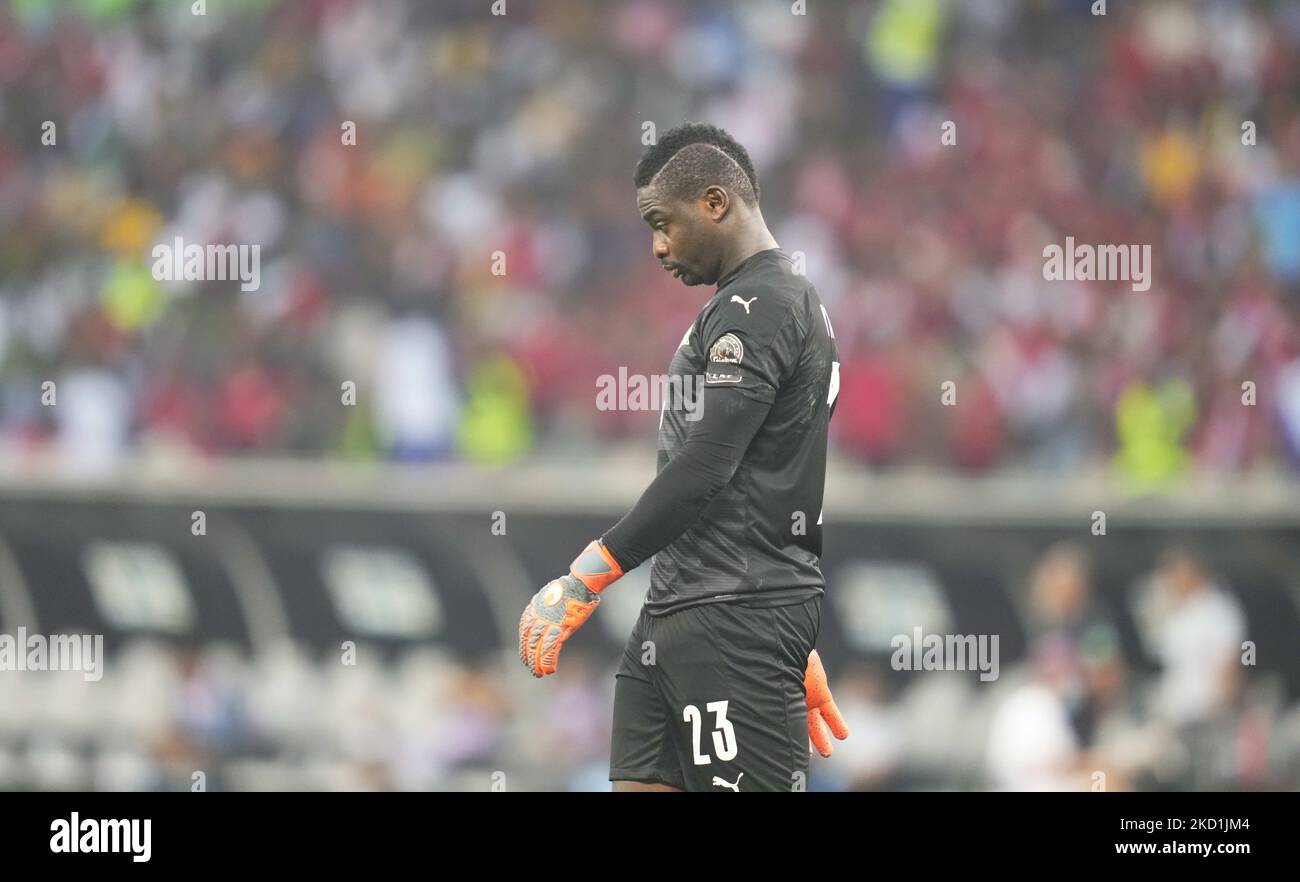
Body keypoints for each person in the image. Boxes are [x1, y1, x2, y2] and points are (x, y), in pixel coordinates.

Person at [518, 122, 848, 791]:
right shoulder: (748, 305)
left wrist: (586, 575)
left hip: (734, 618)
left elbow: (709, 464)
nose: (658, 246)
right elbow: (770, 477)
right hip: (685, 615)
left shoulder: (763, 303)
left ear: (716, 203)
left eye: (662, 222)